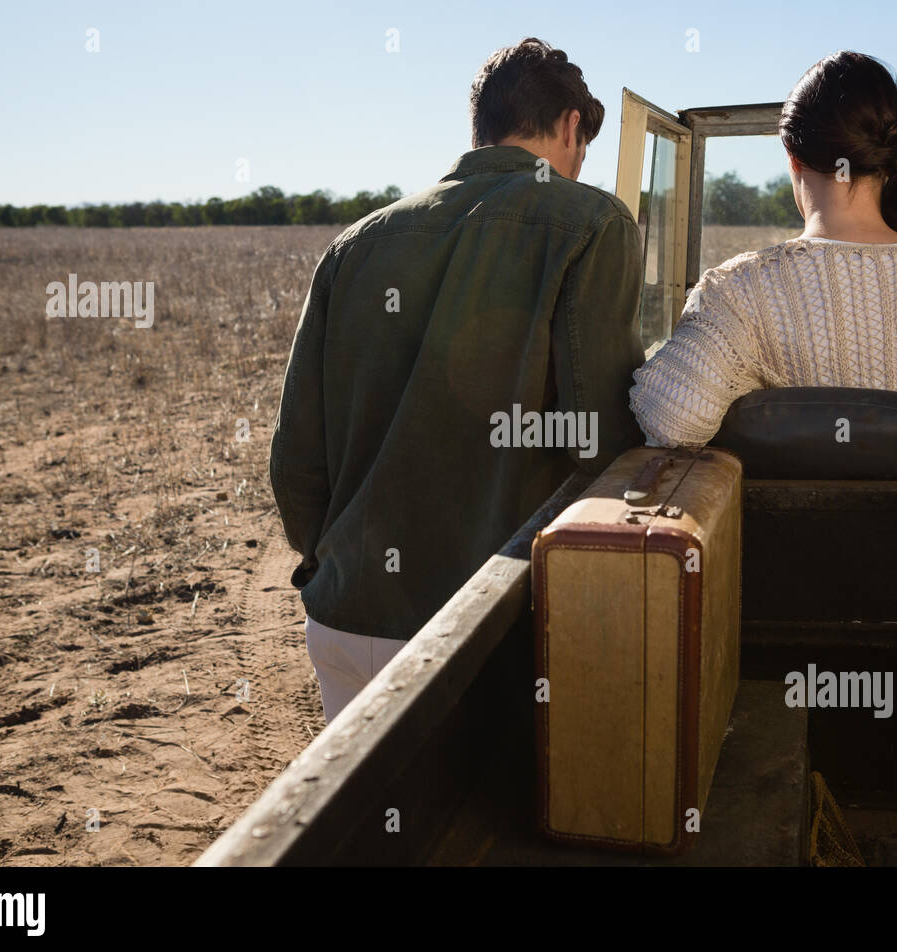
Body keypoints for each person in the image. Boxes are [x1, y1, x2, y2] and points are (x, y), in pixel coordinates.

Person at [270, 38, 645, 725]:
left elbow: (296, 459)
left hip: (345, 618)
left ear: (482, 126)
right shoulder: (594, 223)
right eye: (581, 146)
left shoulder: (355, 243)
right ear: (569, 126)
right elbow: (604, 445)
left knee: (360, 832)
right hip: (489, 627)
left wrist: (334, 569)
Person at [629, 51, 897, 447]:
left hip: (784, 511)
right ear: (889, 155)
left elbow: (672, 423)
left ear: (793, 157)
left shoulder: (739, 292)